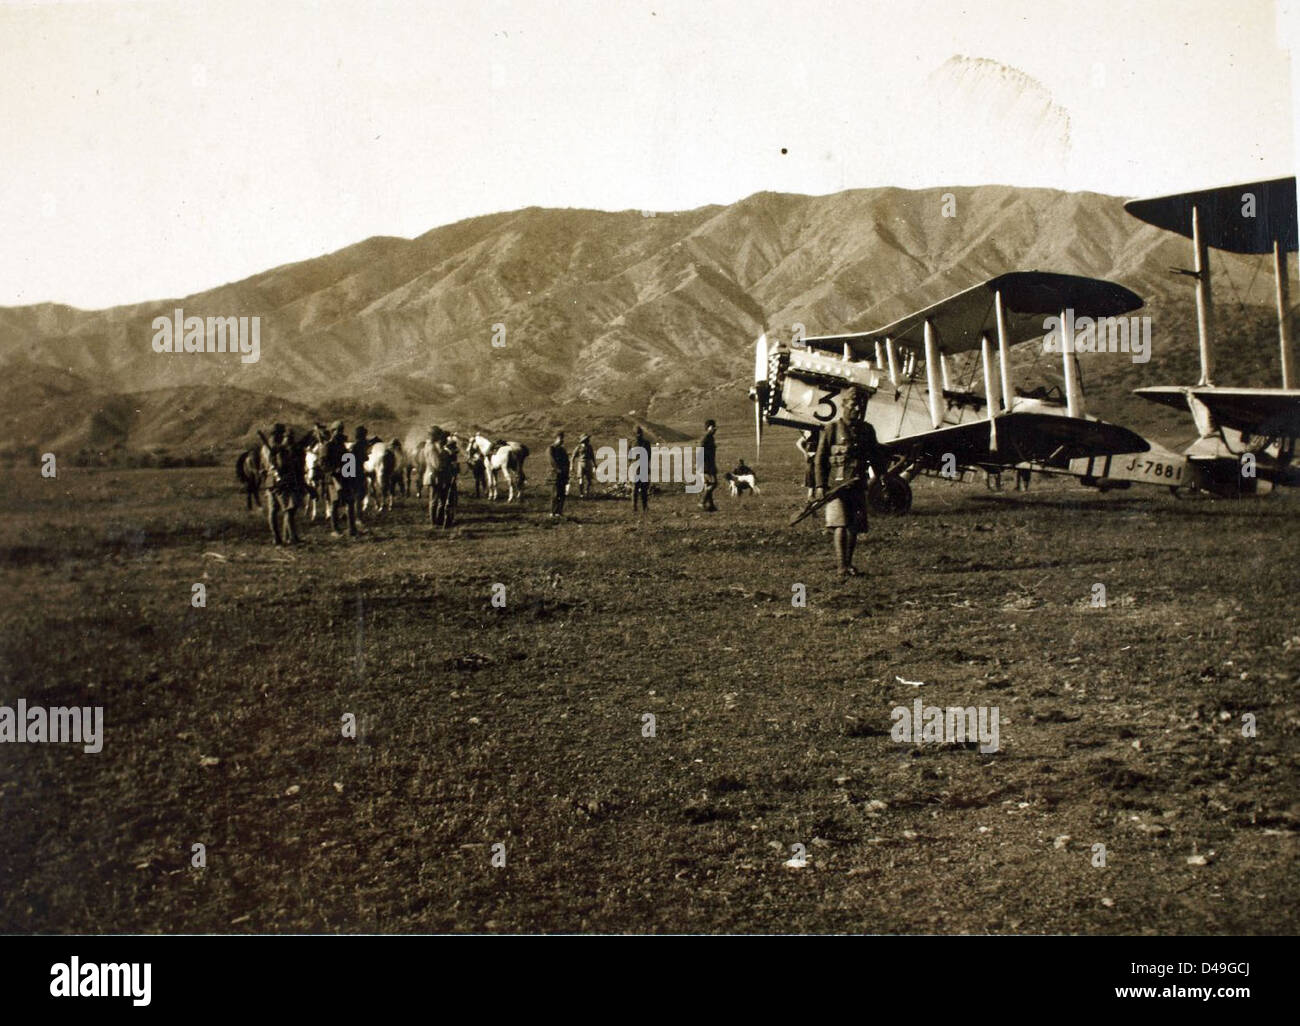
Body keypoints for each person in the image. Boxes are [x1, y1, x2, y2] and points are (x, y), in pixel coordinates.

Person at [814, 388, 890, 577]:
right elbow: (820, 459)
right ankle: (841, 566)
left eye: (861, 405)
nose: (857, 408)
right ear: (844, 405)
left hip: (857, 485)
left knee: (853, 527)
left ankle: (849, 564)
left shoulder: (867, 430)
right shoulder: (832, 429)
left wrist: (882, 477)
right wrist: (820, 485)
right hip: (836, 488)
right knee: (840, 524)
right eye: (853, 404)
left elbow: (875, 457)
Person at [259, 423, 305, 544]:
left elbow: (262, 467)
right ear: (278, 434)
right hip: (279, 481)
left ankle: (278, 538)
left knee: (274, 510)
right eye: (281, 434)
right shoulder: (275, 448)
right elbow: (278, 465)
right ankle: (288, 537)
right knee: (287, 509)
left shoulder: (265, 448)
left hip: (271, 481)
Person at [549, 430, 570, 517]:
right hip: (556, 475)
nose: (562, 440)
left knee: (562, 494)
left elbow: (567, 461)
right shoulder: (551, 449)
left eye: (562, 438)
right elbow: (552, 461)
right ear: (556, 439)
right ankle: (553, 512)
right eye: (560, 438)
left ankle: (559, 512)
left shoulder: (562, 449)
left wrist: (566, 472)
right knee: (555, 494)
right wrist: (558, 470)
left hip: (563, 475)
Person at [630, 426, 651, 512]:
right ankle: (641, 507)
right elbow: (649, 456)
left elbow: (629, 458)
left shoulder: (632, 443)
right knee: (641, 489)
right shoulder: (646, 443)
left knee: (638, 489)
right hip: (641, 468)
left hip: (638, 468)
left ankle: (637, 507)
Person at [699, 419, 718, 511]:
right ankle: (702, 502)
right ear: (708, 428)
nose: (715, 428)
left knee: (709, 484)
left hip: (710, 464)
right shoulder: (706, 438)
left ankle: (711, 505)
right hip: (706, 465)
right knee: (714, 484)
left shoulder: (710, 437)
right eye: (712, 426)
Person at [797, 429, 819, 499]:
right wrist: (805, 453)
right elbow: (798, 443)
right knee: (811, 472)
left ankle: (812, 494)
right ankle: (811, 494)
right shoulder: (810, 433)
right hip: (811, 455)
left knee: (812, 472)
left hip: (814, 455)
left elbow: (798, 443)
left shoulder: (813, 433)